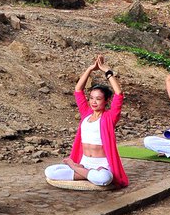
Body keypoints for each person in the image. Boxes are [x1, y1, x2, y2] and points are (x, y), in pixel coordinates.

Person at [45, 55, 127, 188]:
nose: (94, 102)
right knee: (50, 171)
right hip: (84, 162)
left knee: (104, 178)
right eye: (92, 98)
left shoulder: (109, 117)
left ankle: (75, 168)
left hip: (101, 165)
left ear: (106, 101)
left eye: (98, 99)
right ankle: (87, 173)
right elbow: (78, 90)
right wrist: (90, 69)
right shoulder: (86, 113)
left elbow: (119, 94)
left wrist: (108, 72)